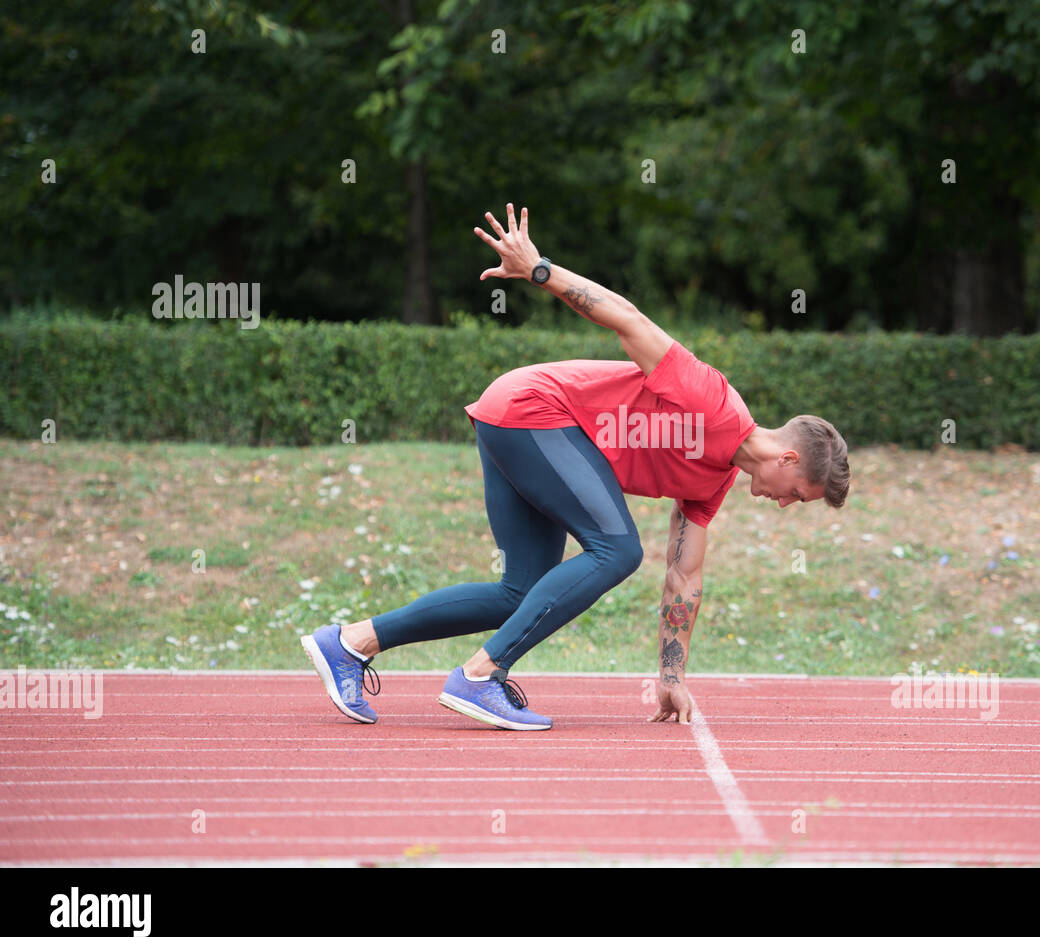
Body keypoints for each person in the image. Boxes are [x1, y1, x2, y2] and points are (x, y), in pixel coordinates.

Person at [302, 203, 850, 730]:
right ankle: (480, 675)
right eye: (797, 494)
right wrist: (539, 270)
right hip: (533, 411)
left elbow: (684, 577)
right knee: (618, 549)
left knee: (521, 592)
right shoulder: (713, 400)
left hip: (514, 420)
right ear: (789, 458)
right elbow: (628, 318)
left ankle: (349, 643)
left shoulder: (714, 480)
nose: (785, 504)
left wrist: (671, 675)